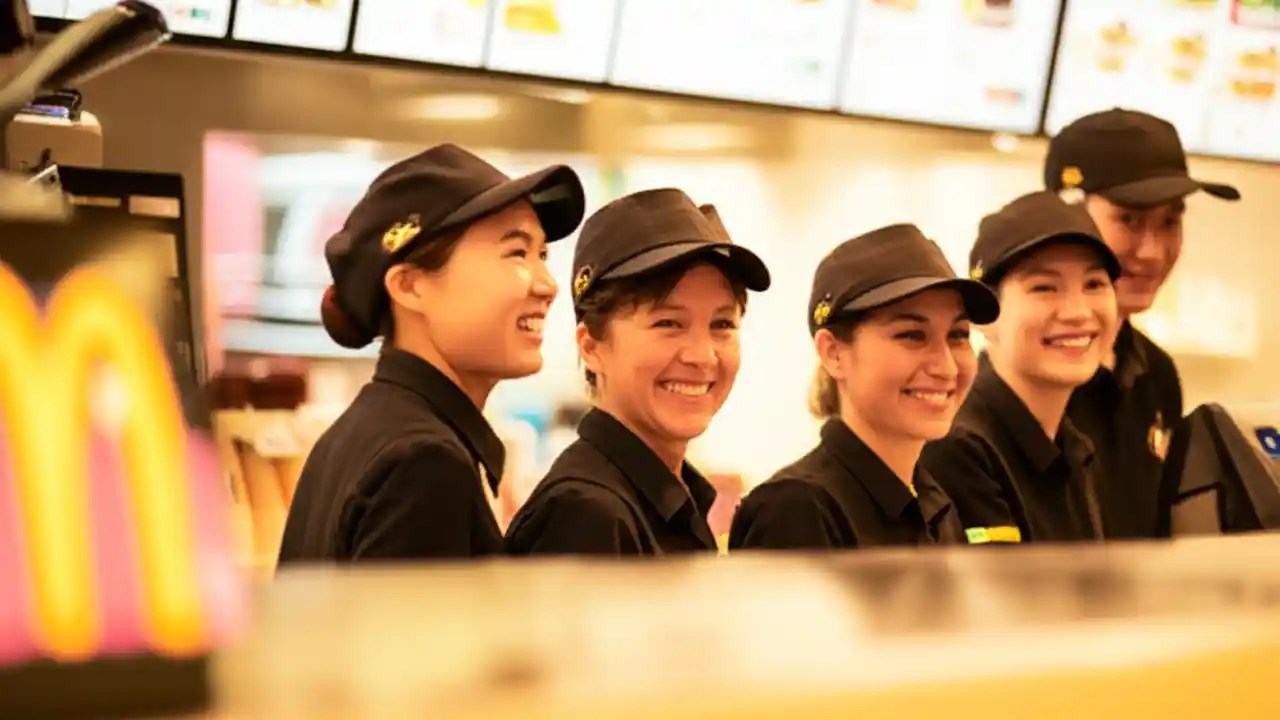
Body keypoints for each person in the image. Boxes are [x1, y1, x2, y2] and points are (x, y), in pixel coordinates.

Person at [277, 144, 585, 564]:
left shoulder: (369, 430)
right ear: (410, 286)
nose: (547, 285)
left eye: (542, 255)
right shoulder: (424, 463)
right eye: (516, 252)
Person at [505, 189, 771, 556]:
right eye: (668, 323)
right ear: (591, 346)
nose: (702, 355)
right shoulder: (585, 513)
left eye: (722, 324)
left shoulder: (674, 497)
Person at [729, 224, 998, 551]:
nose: (946, 366)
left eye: (957, 335)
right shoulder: (797, 509)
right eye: (912, 335)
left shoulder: (931, 498)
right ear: (833, 353)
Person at [1045, 108, 1241, 538]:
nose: (1152, 251)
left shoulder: (1157, 374)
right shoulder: (1031, 377)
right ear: (1064, 217)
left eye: (1170, 221)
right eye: (1128, 220)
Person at [920, 191, 1121, 544]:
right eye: (1044, 288)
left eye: (1094, 284)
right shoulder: (957, 447)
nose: (1077, 311)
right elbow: (1005, 597)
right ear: (984, 317)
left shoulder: (1071, 444)